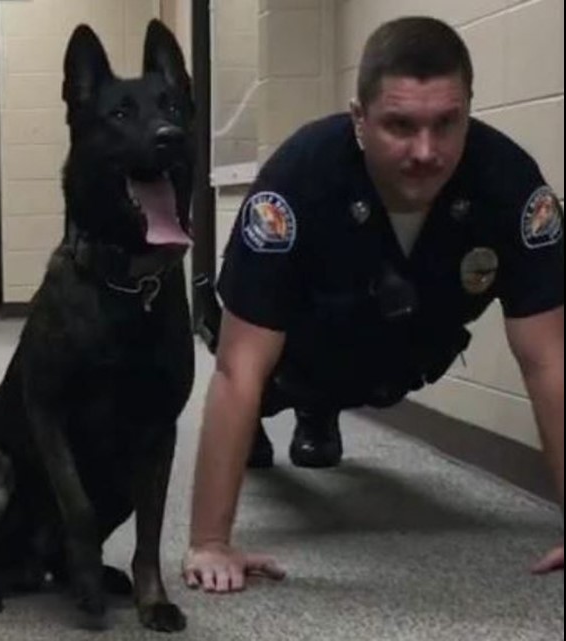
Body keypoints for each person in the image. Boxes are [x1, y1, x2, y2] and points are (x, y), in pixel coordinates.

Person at [183, 15, 564, 593]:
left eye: (446, 123)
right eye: (400, 125)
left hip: (404, 351)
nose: (426, 151)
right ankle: (286, 417)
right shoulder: (299, 179)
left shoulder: (509, 183)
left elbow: (550, 360)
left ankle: (322, 411)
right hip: (297, 353)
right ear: (359, 120)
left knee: (375, 347)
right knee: (256, 377)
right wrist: (210, 542)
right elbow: (240, 371)